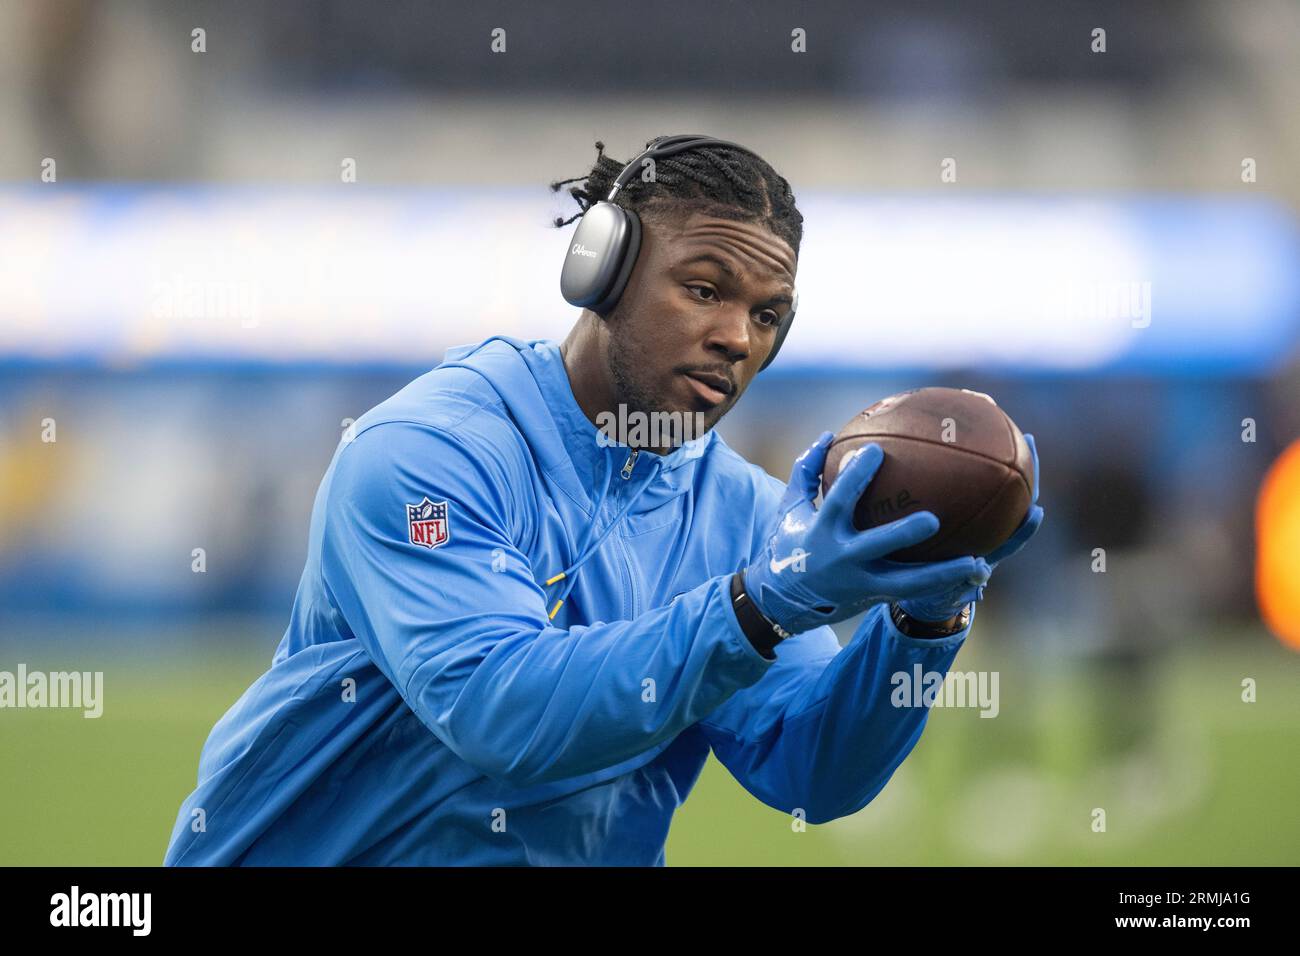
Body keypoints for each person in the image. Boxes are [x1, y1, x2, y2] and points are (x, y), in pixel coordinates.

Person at [164, 134, 1042, 865]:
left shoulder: (743, 514)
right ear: (601, 269)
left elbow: (809, 770)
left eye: (768, 315)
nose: (737, 336)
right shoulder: (429, 459)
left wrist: (922, 625)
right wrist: (756, 607)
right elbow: (498, 710)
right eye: (704, 289)